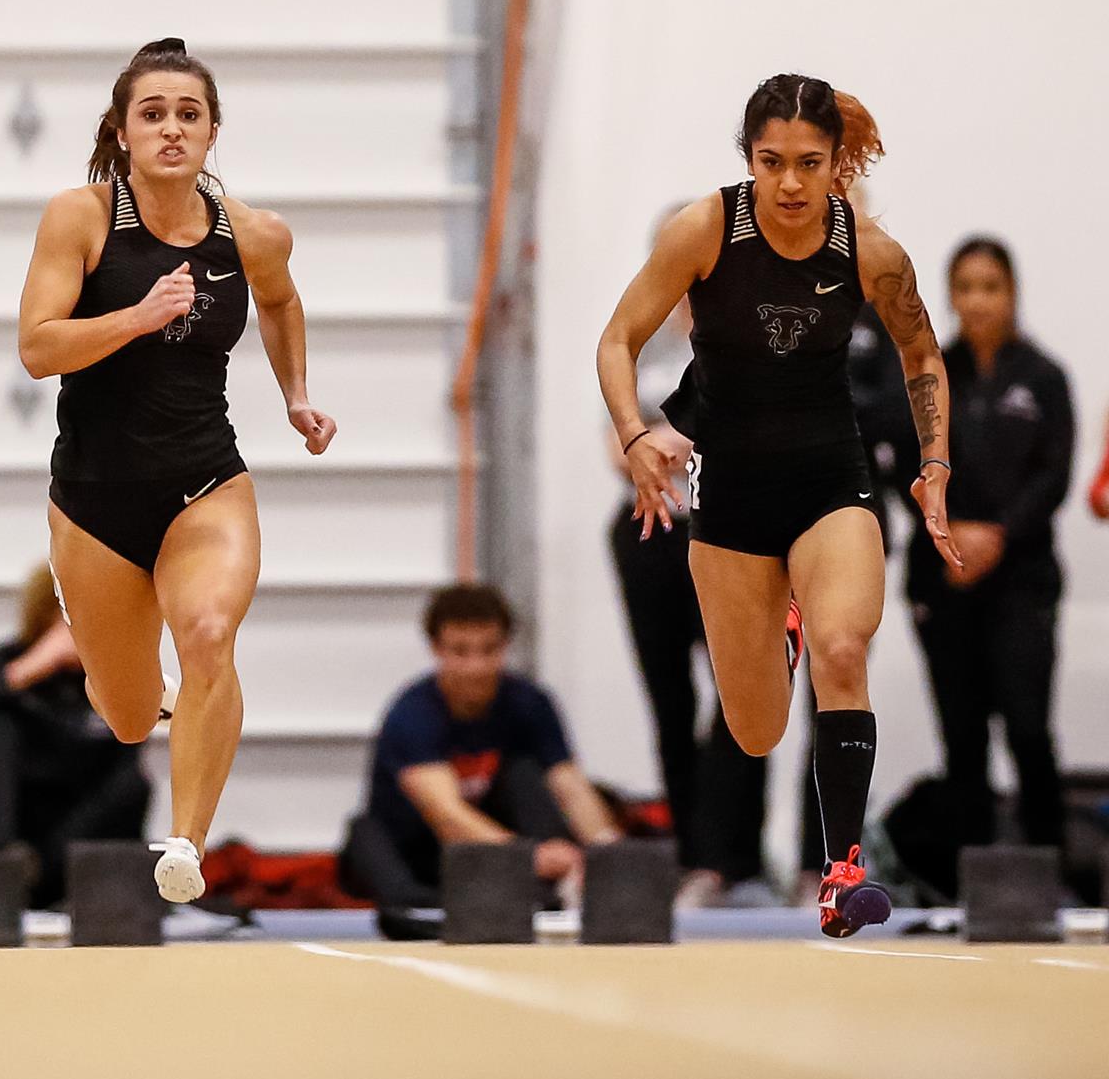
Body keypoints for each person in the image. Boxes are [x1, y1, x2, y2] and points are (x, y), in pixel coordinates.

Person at [597, 74, 959, 938]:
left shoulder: (871, 252)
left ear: (836, 164)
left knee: (845, 647)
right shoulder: (706, 229)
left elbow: (922, 356)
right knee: (755, 729)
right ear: (748, 158)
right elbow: (617, 339)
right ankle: (782, 629)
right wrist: (634, 434)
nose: (790, 182)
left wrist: (934, 462)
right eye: (771, 162)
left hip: (832, 482)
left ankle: (840, 873)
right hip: (730, 496)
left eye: (808, 163)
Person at [17, 37, 336, 903]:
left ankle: (186, 841)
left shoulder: (253, 233)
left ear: (211, 132)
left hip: (206, 481)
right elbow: (38, 349)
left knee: (208, 632)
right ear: (122, 131)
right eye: (152, 113)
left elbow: (281, 300)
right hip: (94, 502)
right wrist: (136, 314)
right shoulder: (81, 218)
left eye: (188, 114)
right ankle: (139, 689)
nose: (171, 128)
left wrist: (297, 395)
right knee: (126, 716)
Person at [906, 237, 1075, 888]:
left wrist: (998, 535)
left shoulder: (1043, 377)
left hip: (1021, 579)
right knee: (963, 738)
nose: (978, 300)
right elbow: (904, 460)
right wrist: (949, 532)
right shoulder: (929, 375)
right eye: (966, 287)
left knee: (1028, 727)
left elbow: (1054, 474)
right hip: (944, 577)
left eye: (990, 286)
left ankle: (1051, 876)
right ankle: (972, 887)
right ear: (950, 296)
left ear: (1012, 293)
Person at [606, 263, 768, 907]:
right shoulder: (642, 347)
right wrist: (670, 445)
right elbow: (619, 446)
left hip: (732, 525)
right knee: (670, 700)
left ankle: (738, 855)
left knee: (743, 694)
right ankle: (692, 855)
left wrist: (670, 442)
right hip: (653, 527)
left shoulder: (756, 336)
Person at [339, 584, 621, 922]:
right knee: (366, 834)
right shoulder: (412, 714)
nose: (476, 667)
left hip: (495, 854)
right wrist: (531, 856)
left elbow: (570, 787)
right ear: (436, 649)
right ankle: (427, 911)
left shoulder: (530, 703)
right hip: (421, 853)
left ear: (506, 646)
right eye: (460, 651)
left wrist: (609, 854)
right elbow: (446, 816)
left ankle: (551, 895)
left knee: (524, 774)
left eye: (489, 650)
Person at [0, 564, 150, 908]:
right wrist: (28, 670)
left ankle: (57, 882)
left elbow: (125, 780)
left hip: (68, 846)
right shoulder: (8, 663)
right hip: (3, 833)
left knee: (133, 782)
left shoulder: (115, 682)